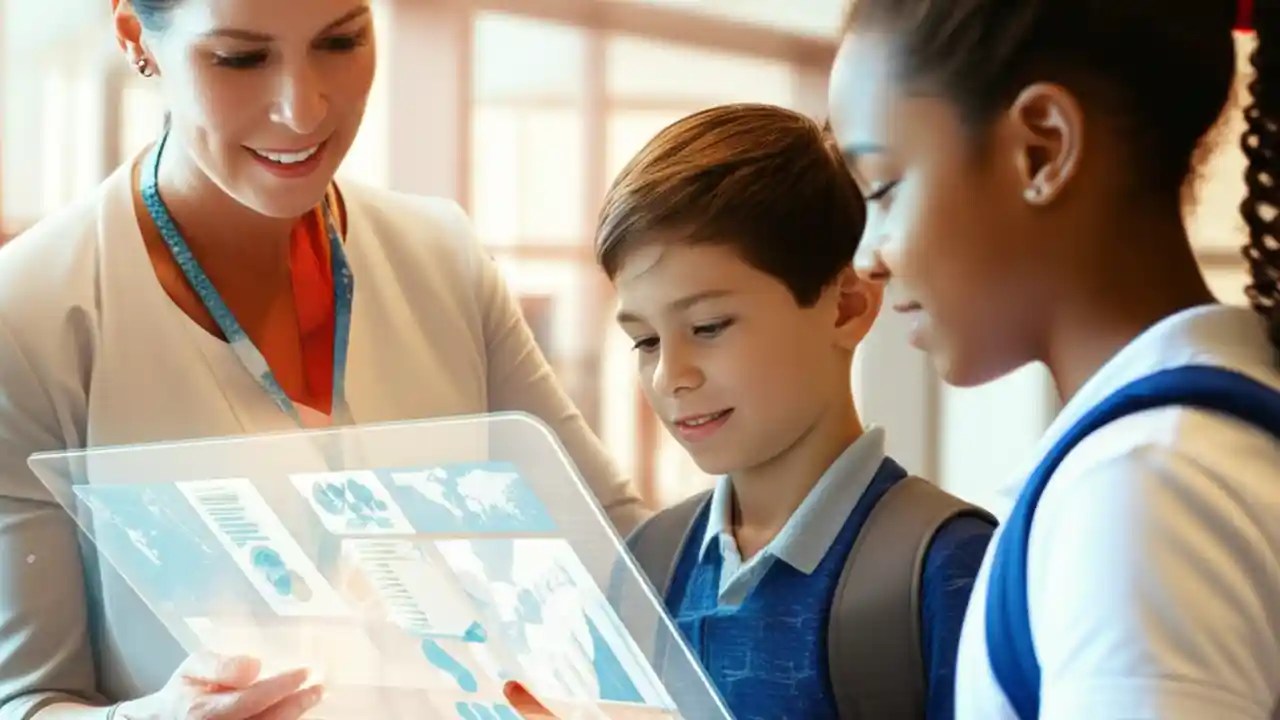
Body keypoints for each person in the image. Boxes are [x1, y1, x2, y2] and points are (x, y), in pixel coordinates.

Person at [0, 0, 647, 718]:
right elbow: (27, 697)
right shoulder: (29, 313)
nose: (303, 109)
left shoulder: (441, 259)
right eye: (241, 58)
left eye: (340, 41)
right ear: (134, 36)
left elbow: (627, 557)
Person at [829, 0, 1280, 718]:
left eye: (883, 189)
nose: (866, 259)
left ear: (1042, 149)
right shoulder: (1181, 451)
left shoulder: (1141, 491)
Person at [512, 103, 997, 719]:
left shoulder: (945, 568)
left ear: (846, 306)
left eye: (709, 326)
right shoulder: (648, 565)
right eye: (646, 341)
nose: (671, 376)